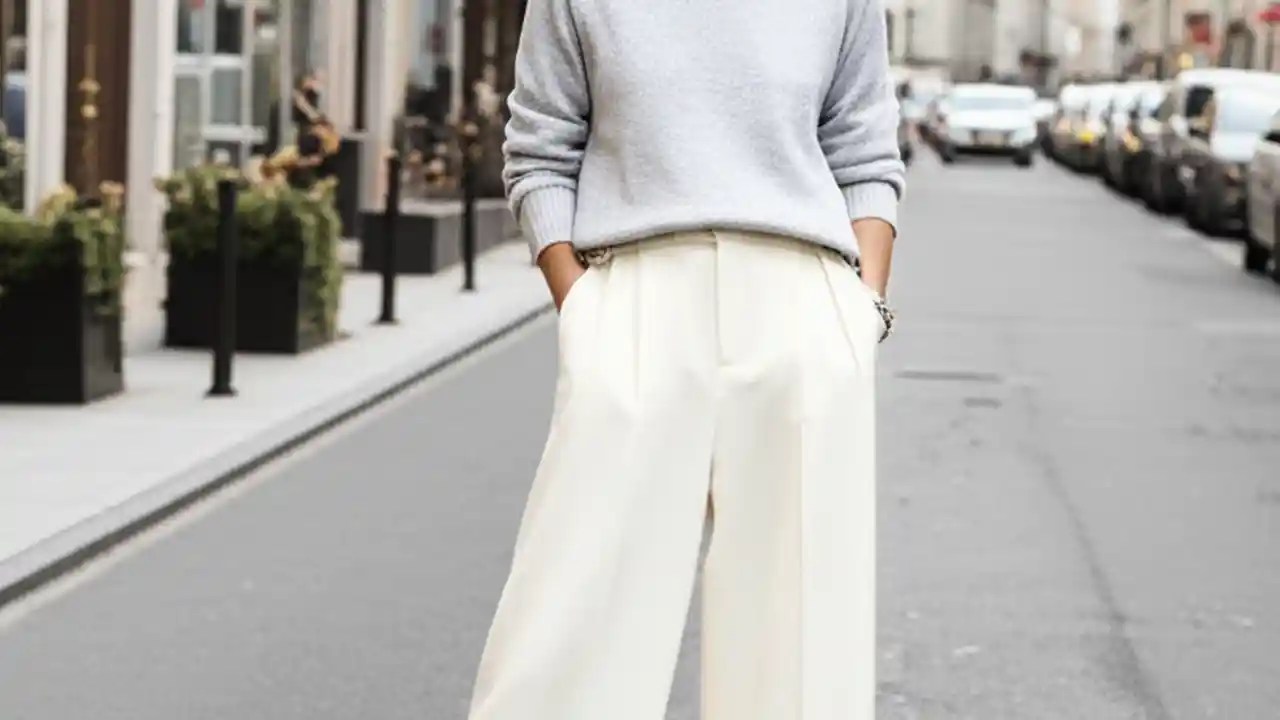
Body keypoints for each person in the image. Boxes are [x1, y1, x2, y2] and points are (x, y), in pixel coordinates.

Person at [468, 1, 904, 718]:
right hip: (636, 294)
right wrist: (583, 311)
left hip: (803, 304)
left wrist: (863, 313)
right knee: (568, 631)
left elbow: (865, 151)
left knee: (799, 649)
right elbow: (541, 146)